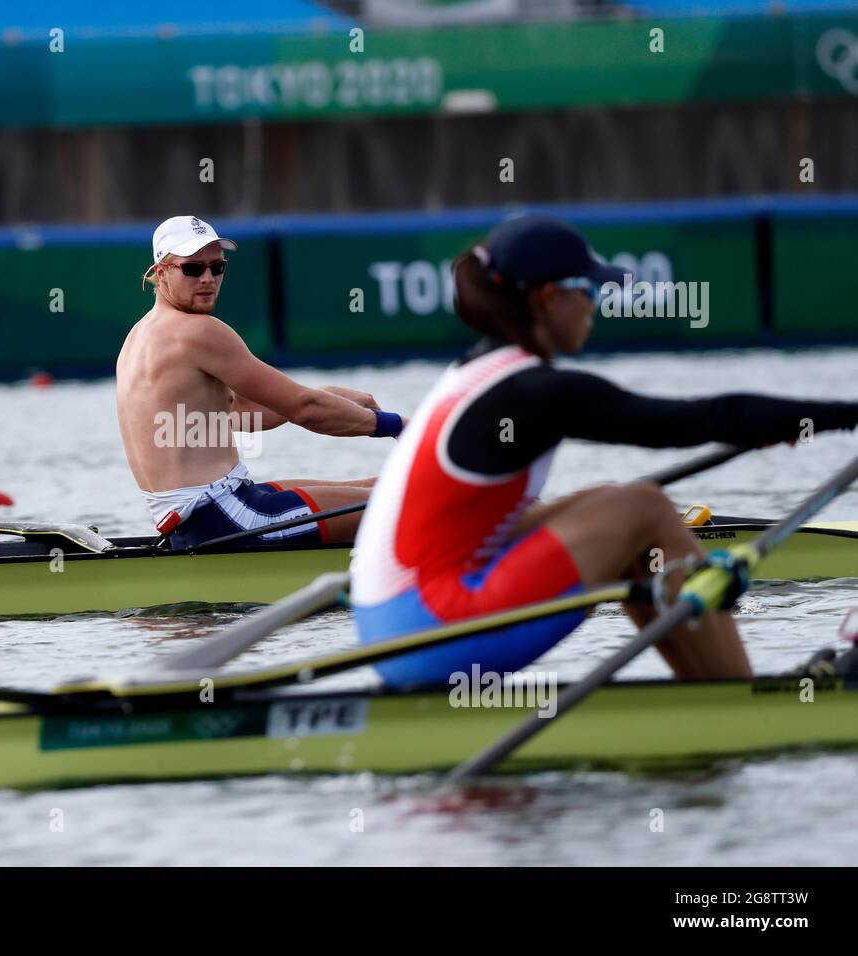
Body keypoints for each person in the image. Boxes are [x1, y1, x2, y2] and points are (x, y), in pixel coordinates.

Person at [351, 215, 858, 684]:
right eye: (589, 288)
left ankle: (712, 689)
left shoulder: (468, 376)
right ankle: (742, 700)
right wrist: (840, 417)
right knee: (644, 506)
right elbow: (701, 419)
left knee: (609, 502)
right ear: (548, 299)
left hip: (389, 628)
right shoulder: (534, 392)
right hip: (435, 632)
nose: (597, 303)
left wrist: (773, 423)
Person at [117, 215, 406, 549]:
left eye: (217, 267)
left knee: (389, 485)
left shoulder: (136, 338)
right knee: (408, 502)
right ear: (162, 272)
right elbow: (305, 409)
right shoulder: (197, 331)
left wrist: (324, 396)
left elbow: (238, 410)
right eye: (193, 269)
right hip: (227, 520)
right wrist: (398, 425)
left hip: (204, 520)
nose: (208, 278)